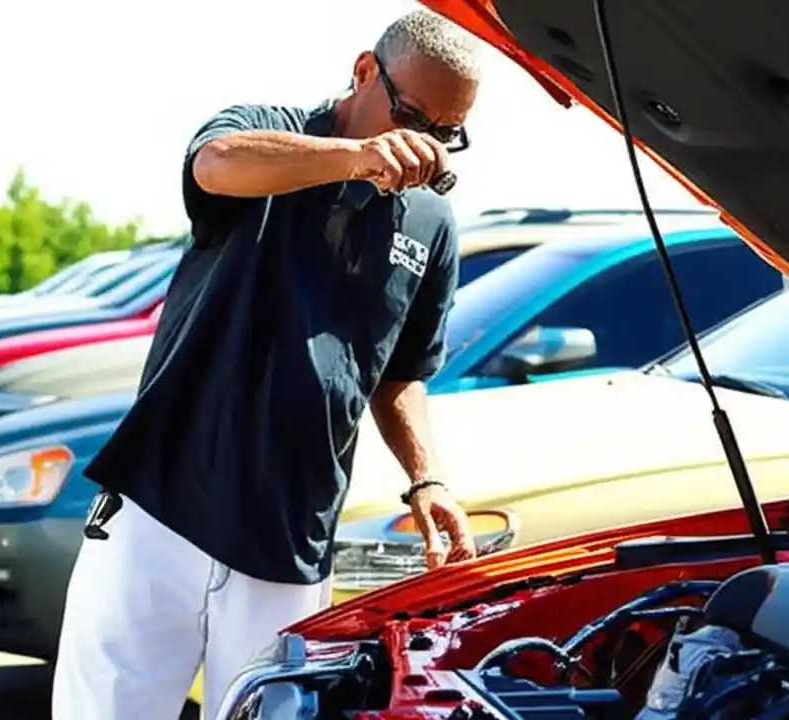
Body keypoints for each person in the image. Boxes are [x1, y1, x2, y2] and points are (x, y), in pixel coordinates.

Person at [50, 10, 482, 719]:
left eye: (445, 131)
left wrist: (426, 477)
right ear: (365, 70)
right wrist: (357, 157)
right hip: (162, 508)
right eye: (412, 116)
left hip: (291, 537)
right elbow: (214, 165)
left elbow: (401, 373)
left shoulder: (433, 226)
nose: (425, 145)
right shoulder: (270, 127)